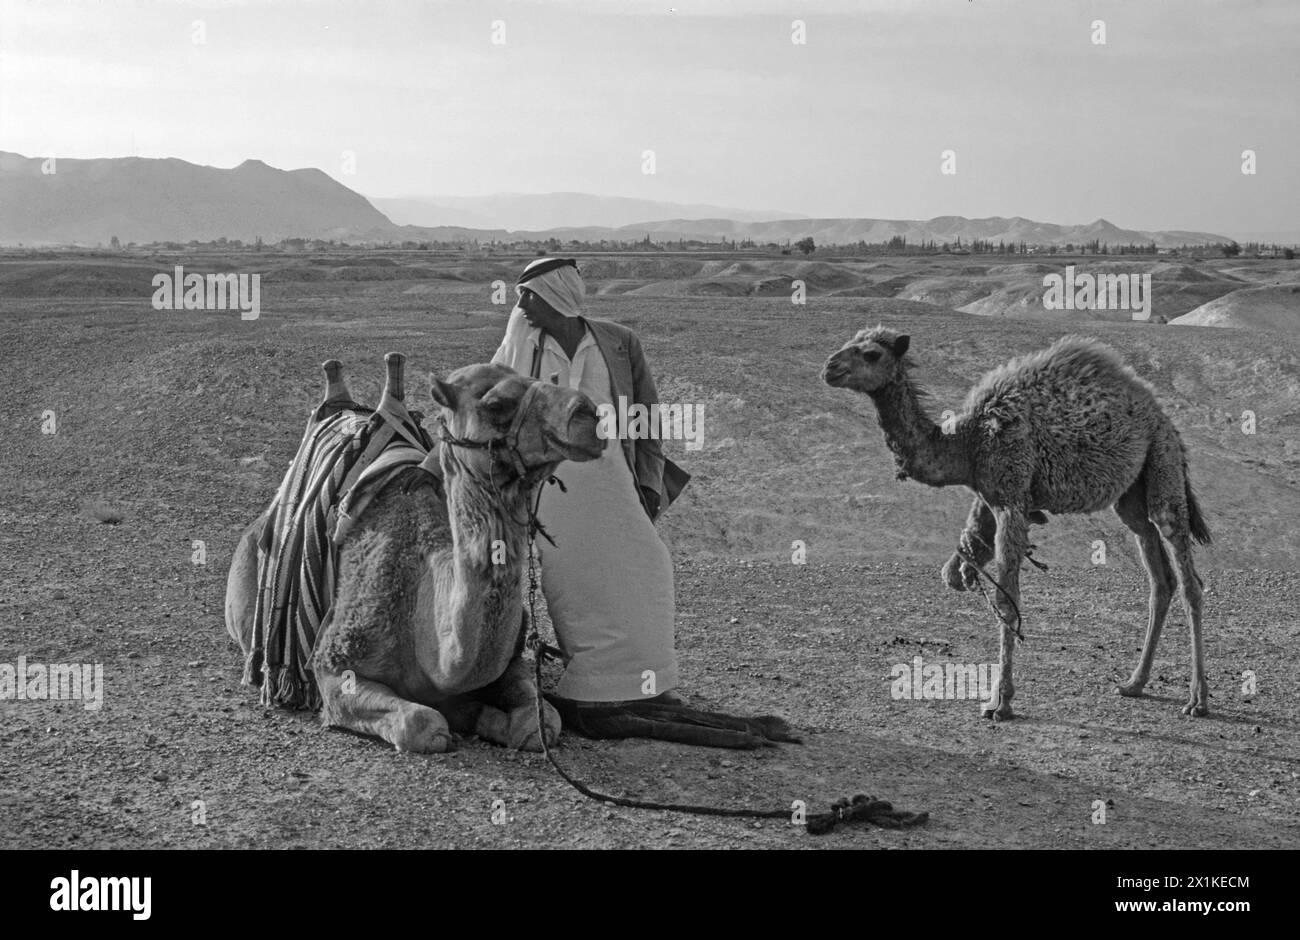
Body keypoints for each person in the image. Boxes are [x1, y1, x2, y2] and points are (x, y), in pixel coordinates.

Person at [491, 257, 689, 710]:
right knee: (572, 578)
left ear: (553, 295)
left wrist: (651, 486)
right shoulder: (525, 346)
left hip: (613, 477)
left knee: (648, 565)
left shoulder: (618, 342)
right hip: (552, 485)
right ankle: (596, 684)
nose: (519, 304)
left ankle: (651, 678)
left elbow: (646, 418)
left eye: (528, 294)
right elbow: (494, 399)